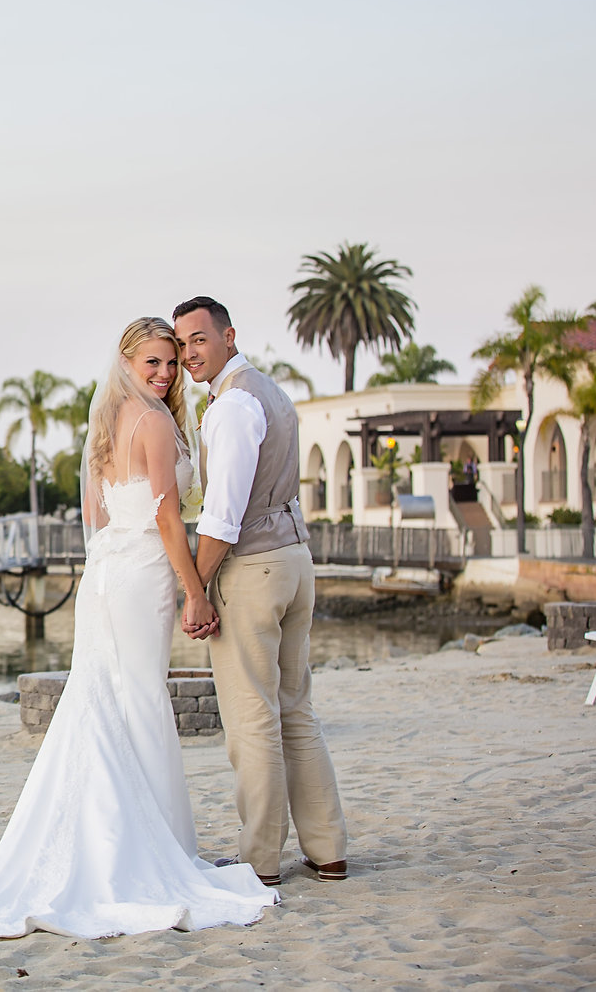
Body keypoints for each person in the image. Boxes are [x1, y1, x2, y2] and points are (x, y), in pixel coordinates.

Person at [0, 317, 277, 939]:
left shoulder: (109, 423)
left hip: (108, 574)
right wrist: (194, 588)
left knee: (109, 701)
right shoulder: (153, 422)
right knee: (140, 700)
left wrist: (118, 568)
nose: (163, 373)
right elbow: (165, 518)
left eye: (170, 362)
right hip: (142, 573)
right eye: (150, 362)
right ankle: (151, 853)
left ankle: (123, 841)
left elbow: (99, 515)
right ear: (126, 362)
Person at [171, 296, 348, 886]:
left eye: (199, 339)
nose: (189, 353)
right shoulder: (272, 391)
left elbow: (222, 517)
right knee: (296, 710)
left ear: (228, 336)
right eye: (182, 343)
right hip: (296, 558)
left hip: (254, 567)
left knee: (252, 717)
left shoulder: (232, 406)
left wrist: (195, 587)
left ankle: (259, 864)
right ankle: (328, 850)